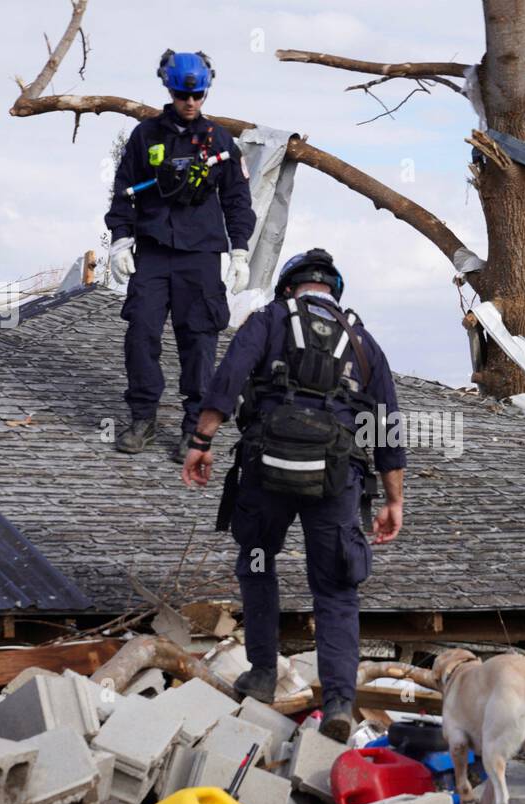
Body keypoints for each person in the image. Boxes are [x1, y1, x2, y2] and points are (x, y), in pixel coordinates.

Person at [181, 249, 405, 742]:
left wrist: (201, 442)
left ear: (289, 288)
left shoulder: (269, 321)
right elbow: (387, 424)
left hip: (267, 471)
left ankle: (262, 674)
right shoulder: (364, 343)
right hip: (336, 479)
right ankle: (340, 701)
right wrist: (394, 499)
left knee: (258, 560)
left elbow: (228, 377)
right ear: (334, 293)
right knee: (337, 588)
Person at [105, 49, 256, 462]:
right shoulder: (145, 136)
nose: (190, 103)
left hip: (202, 256)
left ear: (206, 92)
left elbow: (238, 201)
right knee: (141, 334)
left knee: (199, 341)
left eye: (198, 96)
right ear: (169, 89)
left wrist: (240, 250)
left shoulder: (221, 142)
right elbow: (123, 191)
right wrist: (120, 238)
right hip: (152, 252)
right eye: (182, 95)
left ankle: (194, 428)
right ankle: (142, 419)